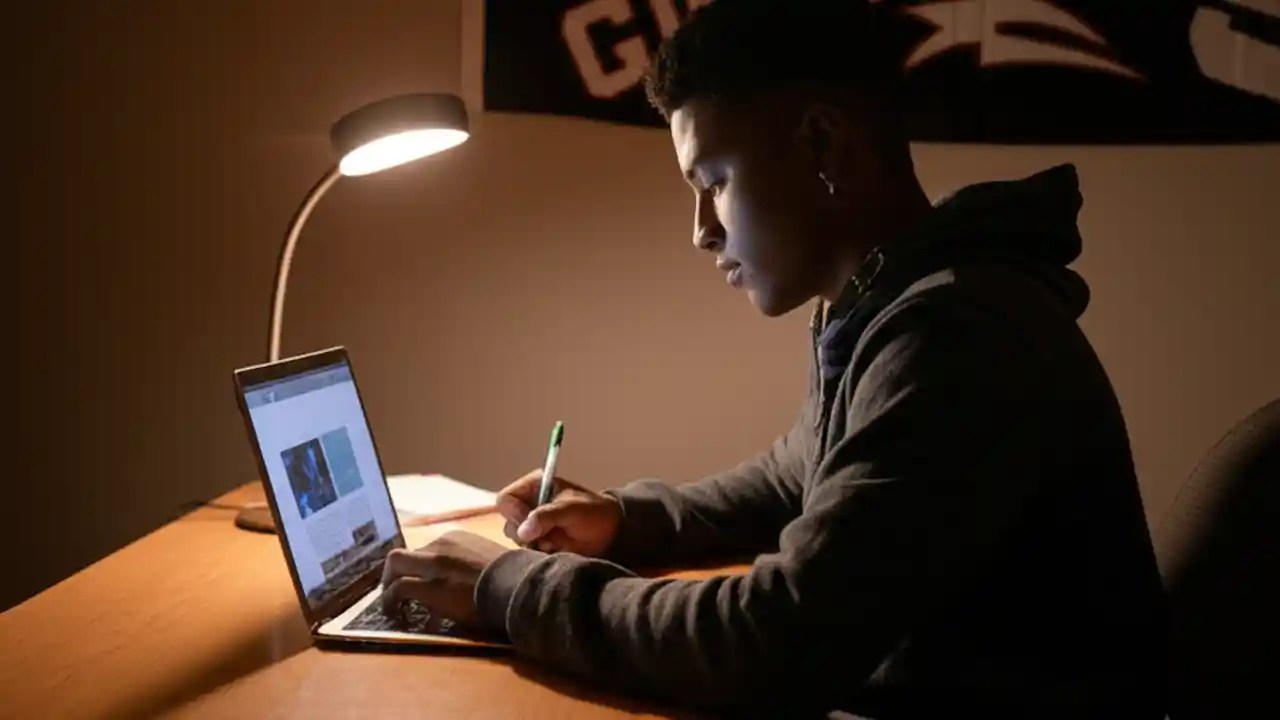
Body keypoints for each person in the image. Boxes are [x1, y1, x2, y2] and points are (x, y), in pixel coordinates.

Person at [378, 1, 1167, 716]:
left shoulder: (958, 336)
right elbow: (799, 475)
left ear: (821, 142)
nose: (701, 230)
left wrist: (512, 589)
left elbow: (772, 642)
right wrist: (629, 519)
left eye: (714, 181)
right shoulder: (893, 303)